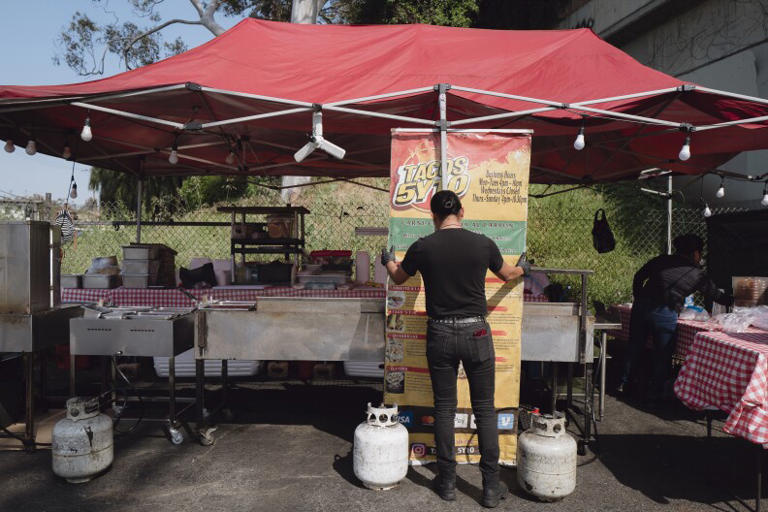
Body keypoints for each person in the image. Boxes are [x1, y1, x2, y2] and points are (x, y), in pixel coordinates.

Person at [381, 190, 530, 508]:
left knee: (444, 409)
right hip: (476, 330)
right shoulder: (482, 243)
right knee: (485, 409)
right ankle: (490, 488)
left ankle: (447, 482)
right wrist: (524, 268)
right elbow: (508, 274)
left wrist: (388, 260)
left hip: (440, 333)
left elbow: (399, 276)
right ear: (461, 211)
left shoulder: (423, 246)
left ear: (433, 216)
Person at [618, 233, 732, 403]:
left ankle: (623, 385)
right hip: (665, 312)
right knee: (662, 354)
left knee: (635, 347)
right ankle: (655, 392)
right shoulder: (697, 274)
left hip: (641, 307)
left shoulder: (661, 260)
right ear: (695, 253)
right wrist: (740, 300)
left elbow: (638, 276)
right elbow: (717, 296)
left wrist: (639, 297)